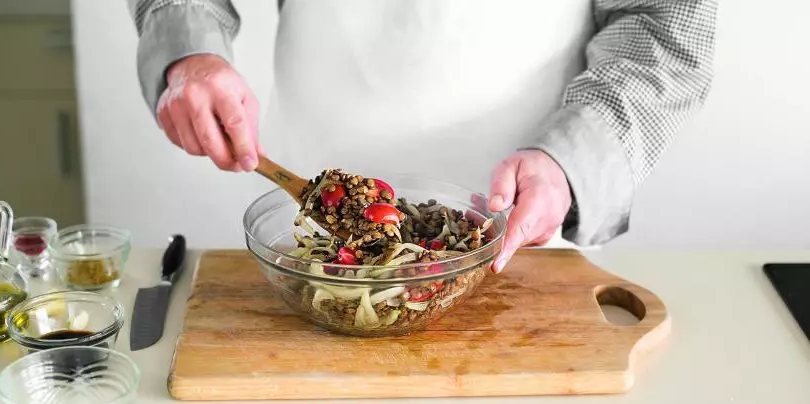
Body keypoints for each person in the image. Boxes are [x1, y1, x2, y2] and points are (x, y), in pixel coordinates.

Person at [127, 0, 717, 273]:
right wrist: (187, 46)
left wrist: (571, 160)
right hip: (308, 230)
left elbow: (663, 28)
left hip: (525, 227)